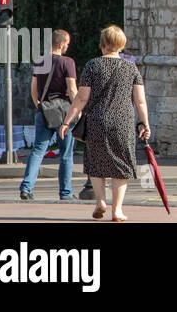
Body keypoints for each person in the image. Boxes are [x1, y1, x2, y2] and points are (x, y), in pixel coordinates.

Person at [58, 25, 151, 222]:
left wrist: (67, 122)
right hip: (123, 122)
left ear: (102, 45)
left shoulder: (92, 66)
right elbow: (140, 100)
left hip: (96, 120)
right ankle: (117, 210)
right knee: (121, 165)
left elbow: (81, 98)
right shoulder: (131, 68)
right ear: (121, 45)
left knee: (95, 162)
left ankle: (100, 201)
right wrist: (144, 123)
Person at [19, 29, 79, 200]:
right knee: (66, 153)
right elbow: (72, 89)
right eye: (67, 43)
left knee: (38, 150)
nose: (67, 46)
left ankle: (26, 187)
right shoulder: (67, 62)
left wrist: (40, 105)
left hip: (44, 111)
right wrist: (78, 110)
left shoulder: (40, 62)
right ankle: (66, 193)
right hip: (63, 113)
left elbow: (33, 89)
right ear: (60, 44)